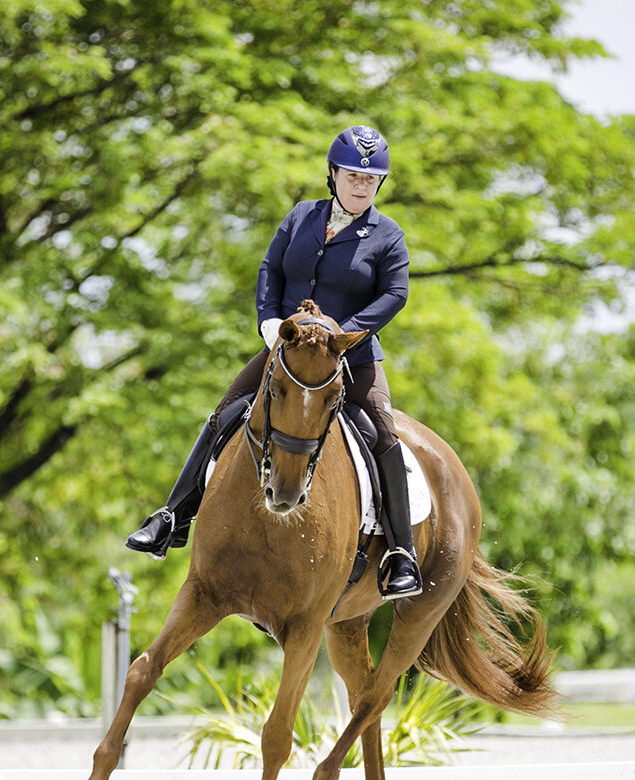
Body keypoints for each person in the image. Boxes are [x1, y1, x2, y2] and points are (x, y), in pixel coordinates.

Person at [126, 124, 422, 600]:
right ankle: (172, 516)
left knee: (382, 430)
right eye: (352, 176)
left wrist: (342, 330)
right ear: (333, 174)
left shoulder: (388, 235)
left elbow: (396, 293)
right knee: (225, 412)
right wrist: (268, 321)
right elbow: (271, 269)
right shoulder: (302, 216)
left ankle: (400, 553)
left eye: (370, 180)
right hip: (283, 353)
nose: (361, 185)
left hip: (351, 353)